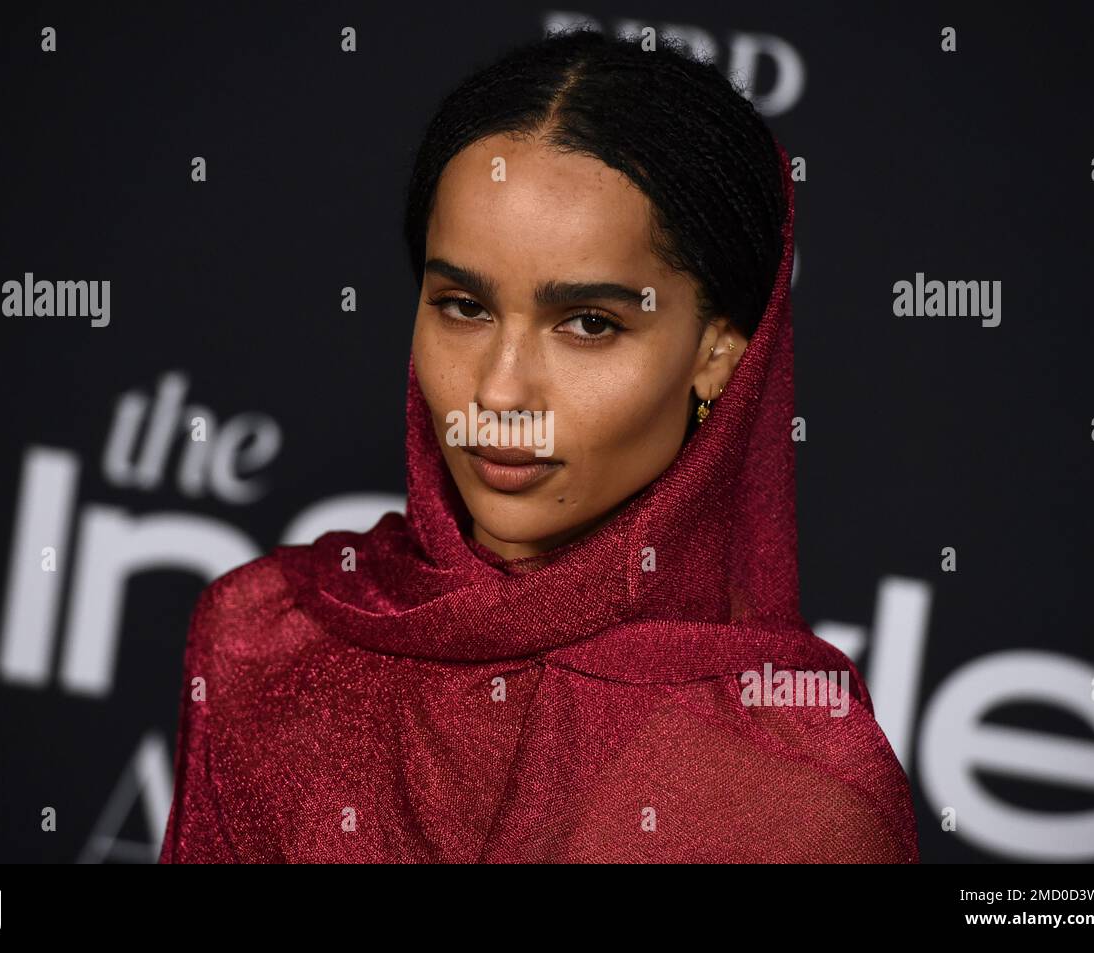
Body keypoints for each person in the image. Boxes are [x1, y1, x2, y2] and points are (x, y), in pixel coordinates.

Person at [160, 28, 920, 863]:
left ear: (717, 353)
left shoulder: (801, 801)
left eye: (589, 324)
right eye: (463, 307)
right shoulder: (263, 643)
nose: (500, 391)